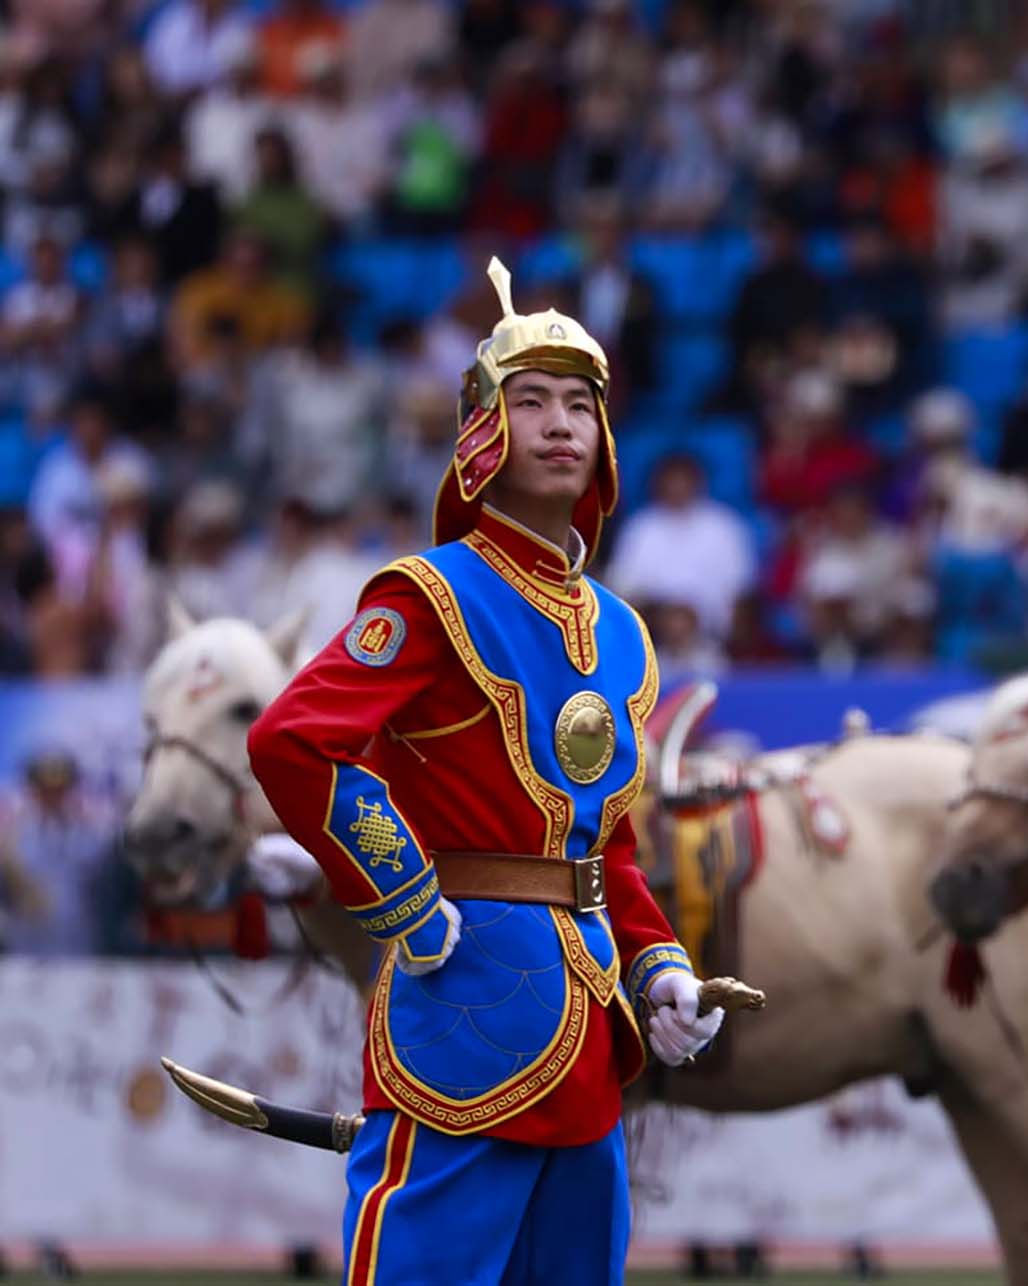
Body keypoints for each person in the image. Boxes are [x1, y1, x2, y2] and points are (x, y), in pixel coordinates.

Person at [248, 258, 718, 1286]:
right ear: (484, 433)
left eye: (580, 405)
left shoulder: (625, 632)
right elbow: (293, 741)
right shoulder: (432, 591)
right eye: (531, 400)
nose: (561, 423)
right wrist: (406, 897)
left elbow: (608, 844)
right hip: (460, 1016)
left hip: (593, 1031)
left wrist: (660, 965)